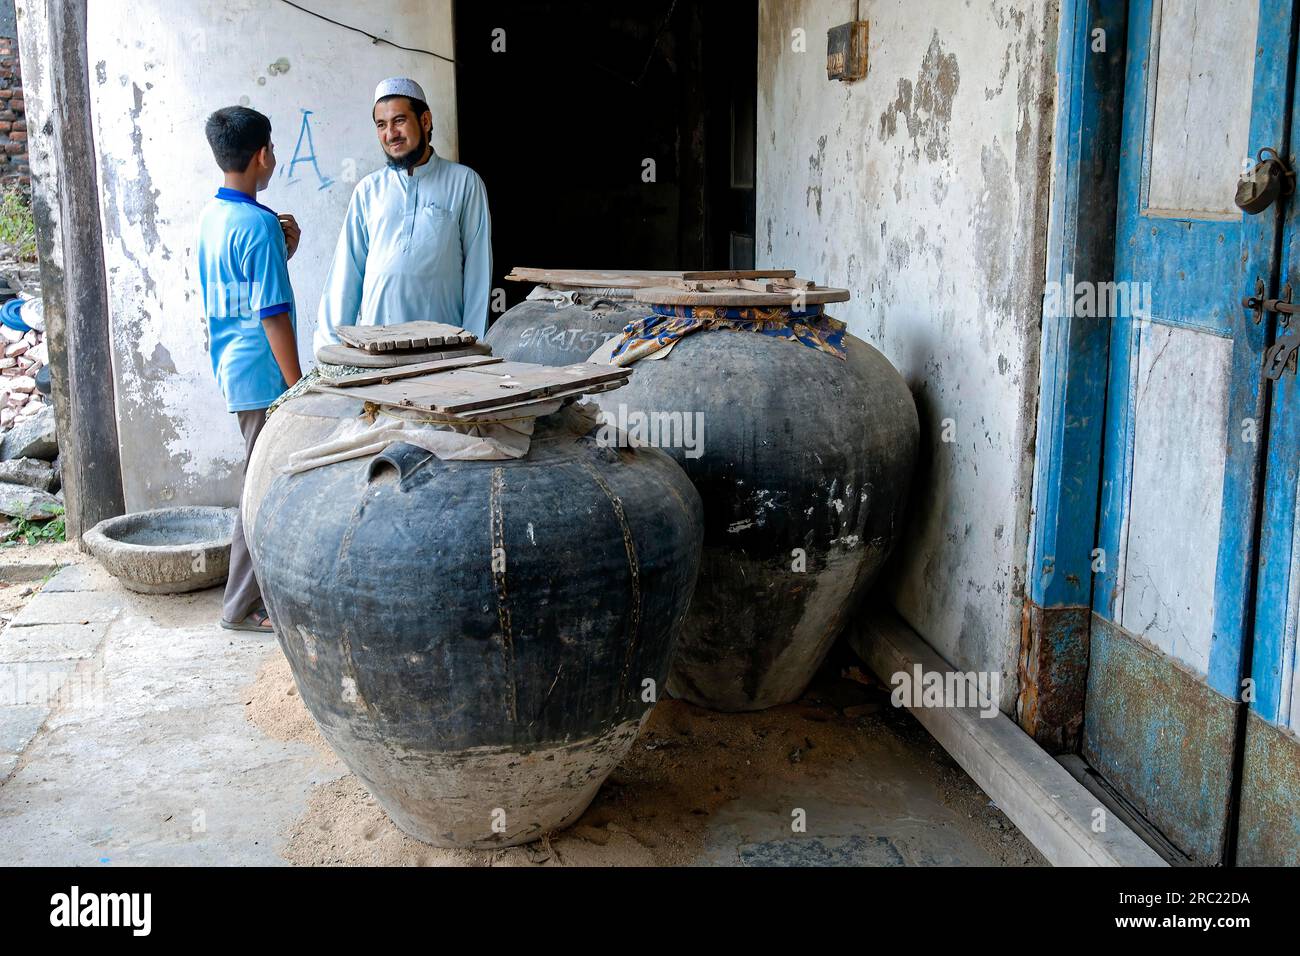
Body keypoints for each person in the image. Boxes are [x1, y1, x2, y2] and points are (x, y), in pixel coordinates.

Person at [196, 105, 303, 633]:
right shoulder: (258, 224)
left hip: (233, 368)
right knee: (260, 488)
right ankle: (241, 605)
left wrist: (283, 250)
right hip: (264, 376)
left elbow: (240, 292)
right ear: (263, 155)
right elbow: (271, 313)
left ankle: (246, 599)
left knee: (256, 480)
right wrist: (298, 384)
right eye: (274, 148)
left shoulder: (214, 216)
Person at [314, 77, 492, 353]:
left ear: (425, 121)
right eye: (381, 125)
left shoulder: (464, 183)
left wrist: (473, 348)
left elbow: (477, 275)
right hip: (376, 351)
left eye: (399, 120)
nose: (390, 134)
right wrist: (330, 350)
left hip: (443, 350)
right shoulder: (368, 191)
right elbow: (345, 275)